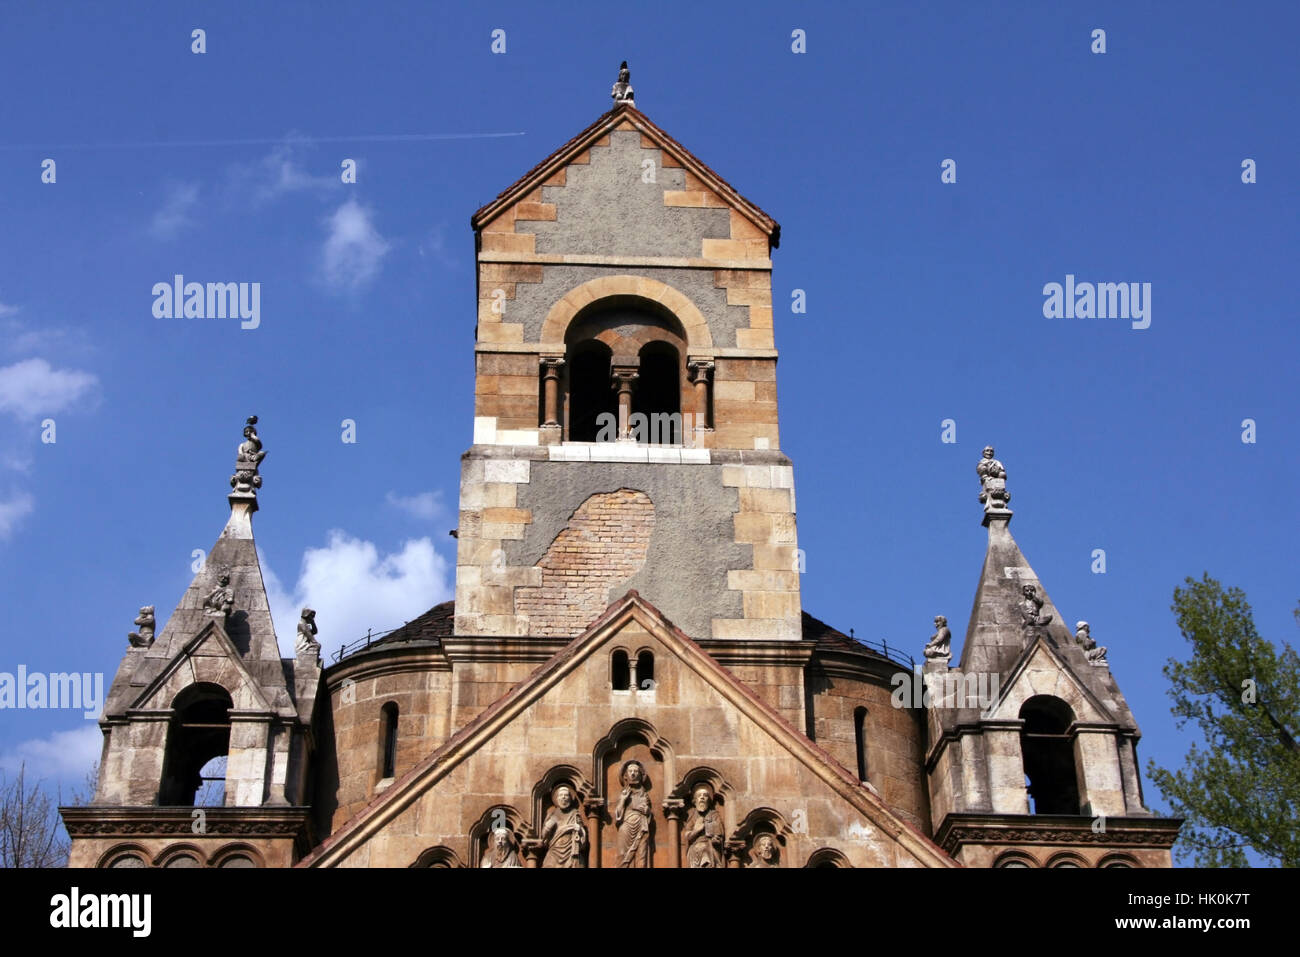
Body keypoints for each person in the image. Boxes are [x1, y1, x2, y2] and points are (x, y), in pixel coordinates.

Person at [614, 760, 652, 867]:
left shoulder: (644, 794)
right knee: (622, 855)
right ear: (626, 775)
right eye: (630, 771)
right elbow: (617, 816)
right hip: (626, 826)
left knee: (641, 856)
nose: (633, 773)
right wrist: (622, 800)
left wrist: (647, 812)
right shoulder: (624, 793)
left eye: (635, 771)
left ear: (640, 775)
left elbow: (648, 812)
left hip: (641, 826)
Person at [541, 785, 587, 867]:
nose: (564, 798)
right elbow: (544, 836)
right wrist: (549, 825)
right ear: (557, 798)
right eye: (561, 795)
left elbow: (583, 838)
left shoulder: (575, 814)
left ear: (570, 798)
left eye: (566, 795)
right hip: (554, 851)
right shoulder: (552, 814)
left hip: (571, 851)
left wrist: (579, 829)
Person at [684, 784, 725, 868]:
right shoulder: (692, 816)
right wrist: (696, 830)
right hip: (695, 848)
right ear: (695, 801)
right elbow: (687, 836)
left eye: (705, 796)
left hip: (710, 847)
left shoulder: (714, 815)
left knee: (705, 851)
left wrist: (716, 839)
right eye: (699, 796)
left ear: (709, 801)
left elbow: (720, 834)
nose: (702, 797)